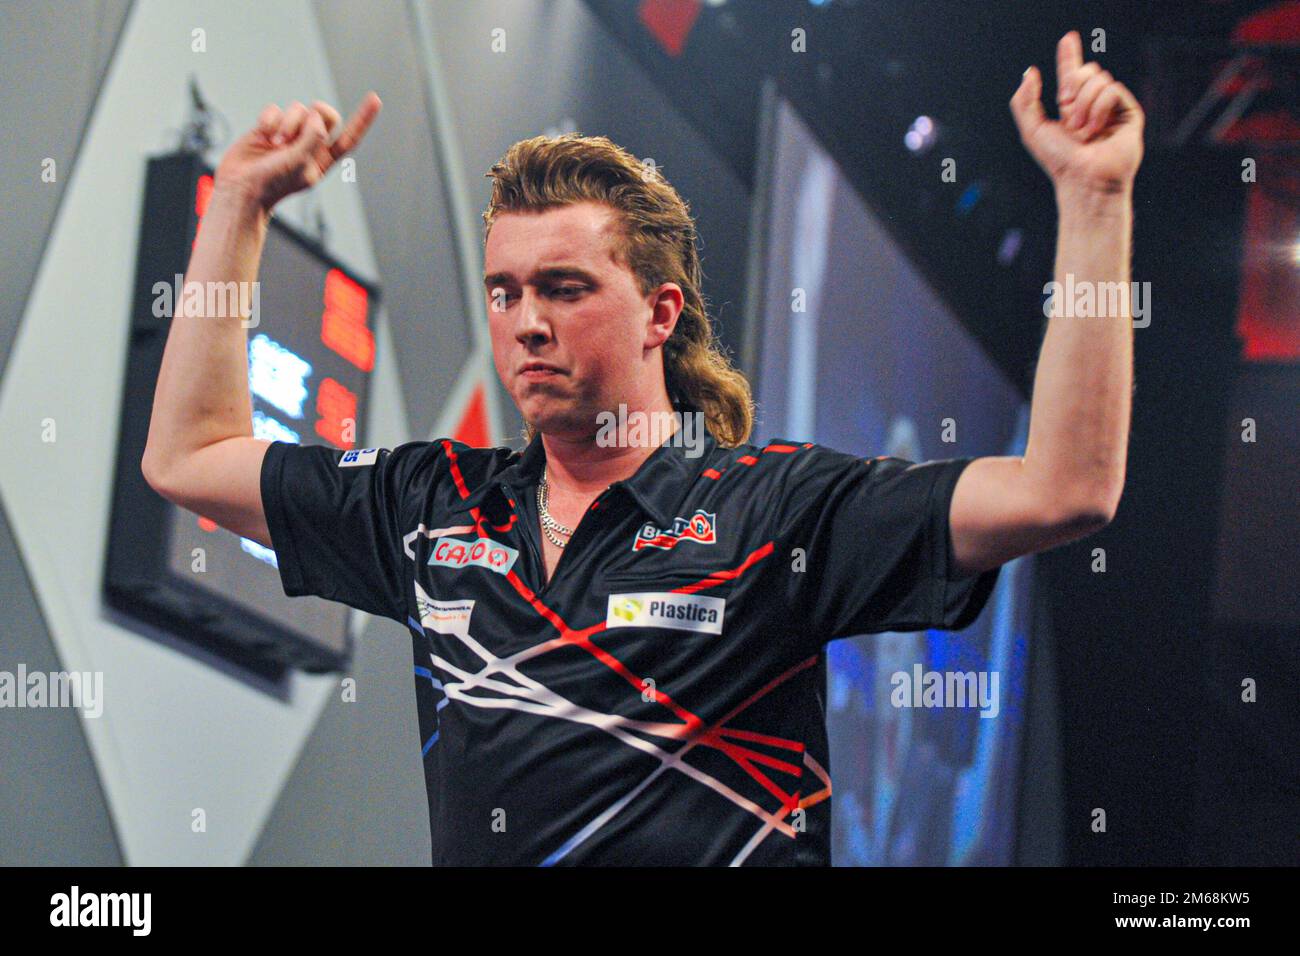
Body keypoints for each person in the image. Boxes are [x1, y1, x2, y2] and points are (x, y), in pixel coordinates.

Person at [142, 30, 1143, 865]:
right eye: (505, 291)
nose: (526, 321)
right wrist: (236, 205)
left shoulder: (779, 511)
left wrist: (1094, 205)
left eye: (564, 288)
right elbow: (188, 456)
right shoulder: (432, 504)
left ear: (661, 310)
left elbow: (1065, 486)